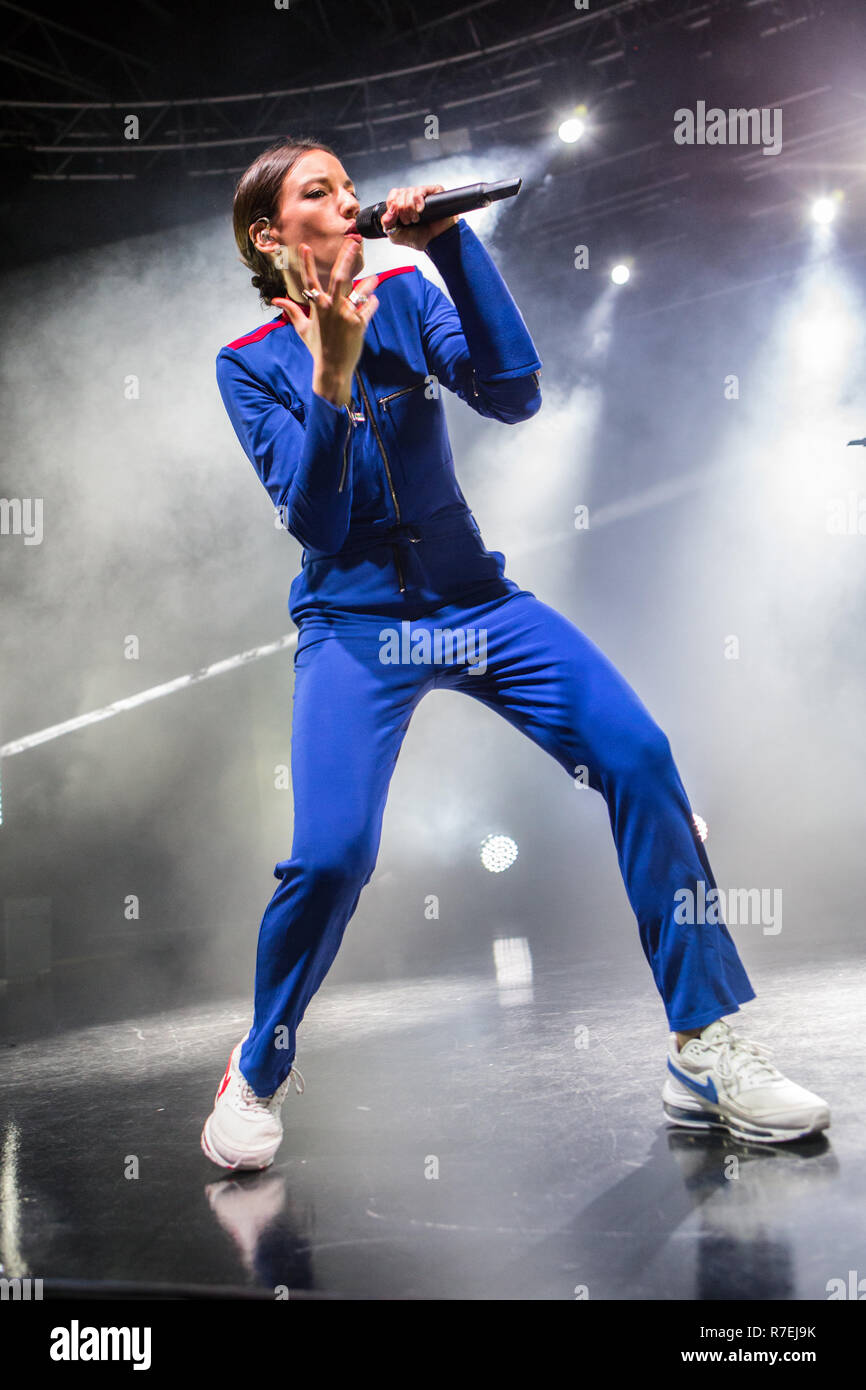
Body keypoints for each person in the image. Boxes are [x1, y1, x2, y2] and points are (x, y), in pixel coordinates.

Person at [201, 137, 830, 1171]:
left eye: (352, 187)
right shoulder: (247, 364)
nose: (349, 201)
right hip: (356, 628)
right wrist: (329, 378)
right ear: (271, 234)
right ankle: (257, 1065)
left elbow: (514, 391)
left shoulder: (403, 289)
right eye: (320, 192)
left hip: (475, 602)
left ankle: (701, 1046)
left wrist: (451, 249)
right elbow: (317, 521)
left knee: (638, 757)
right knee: (330, 856)